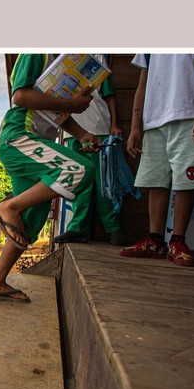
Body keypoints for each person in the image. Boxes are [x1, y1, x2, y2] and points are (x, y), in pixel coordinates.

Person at [0, 53, 100, 303]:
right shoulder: (36, 49)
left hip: (35, 142)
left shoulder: (60, 60)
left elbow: (53, 112)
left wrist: (82, 135)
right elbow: (20, 97)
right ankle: (9, 206)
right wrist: (72, 104)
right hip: (19, 136)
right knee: (80, 169)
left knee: (27, 226)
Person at [120, 53, 194, 266]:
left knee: (185, 182)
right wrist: (136, 126)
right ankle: (155, 240)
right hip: (154, 120)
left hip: (192, 113)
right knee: (155, 182)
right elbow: (143, 83)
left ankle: (178, 241)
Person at [53, 54, 128, 246]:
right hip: (72, 130)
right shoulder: (62, 60)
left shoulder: (97, 58)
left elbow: (109, 94)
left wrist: (114, 124)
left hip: (98, 127)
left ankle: (114, 229)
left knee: (104, 183)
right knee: (79, 183)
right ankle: (78, 228)